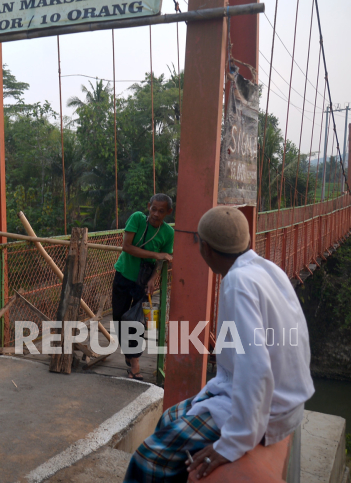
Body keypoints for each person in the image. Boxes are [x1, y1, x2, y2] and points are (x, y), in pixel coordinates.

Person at [124, 206, 315, 482]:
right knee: (169, 418)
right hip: (285, 397)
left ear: (206, 249)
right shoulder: (267, 269)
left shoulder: (238, 282)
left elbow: (256, 368)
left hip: (269, 409)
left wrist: (233, 443)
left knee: (147, 458)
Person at [113, 194, 174, 380]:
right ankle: (129, 355)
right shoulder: (137, 219)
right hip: (124, 275)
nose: (156, 214)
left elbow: (165, 260)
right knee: (118, 318)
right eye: (153, 209)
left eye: (161, 211)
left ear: (168, 212)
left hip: (143, 281)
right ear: (149, 206)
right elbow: (127, 247)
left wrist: (153, 278)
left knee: (135, 320)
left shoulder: (168, 233)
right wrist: (157, 255)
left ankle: (135, 364)